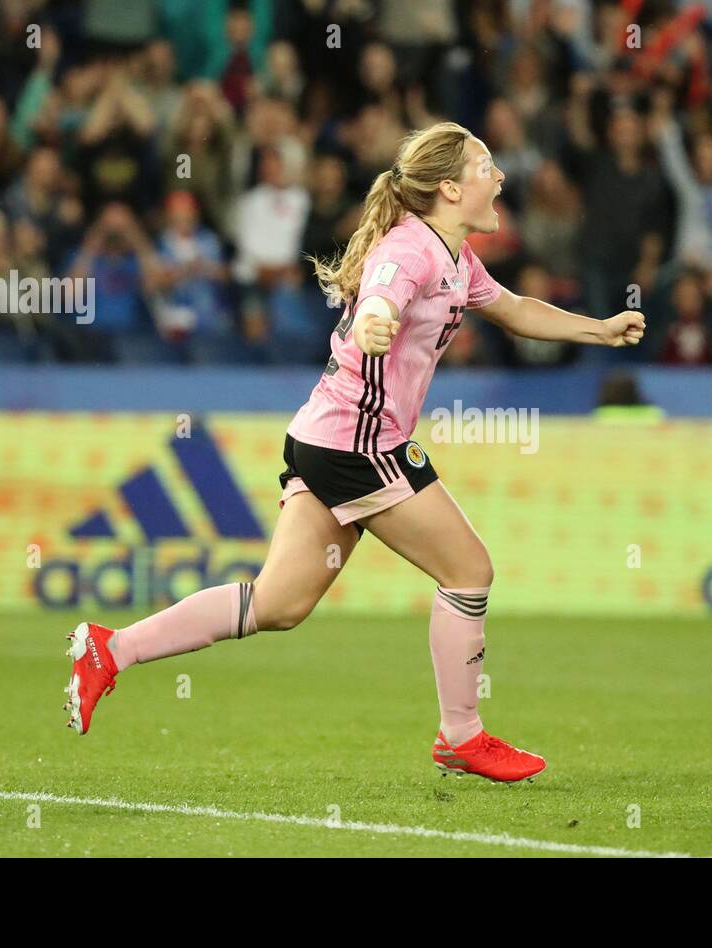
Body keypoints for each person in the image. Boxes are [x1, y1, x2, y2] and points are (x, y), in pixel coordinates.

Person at [62, 122, 646, 783]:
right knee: (469, 571)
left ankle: (113, 649)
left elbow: (511, 309)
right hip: (358, 447)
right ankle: (461, 735)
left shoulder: (455, 255)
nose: (500, 176)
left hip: (325, 437)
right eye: (487, 166)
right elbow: (381, 295)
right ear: (451, 189)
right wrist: (375, 320)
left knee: (278, 605)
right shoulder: (412, 253)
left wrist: (597, 328)